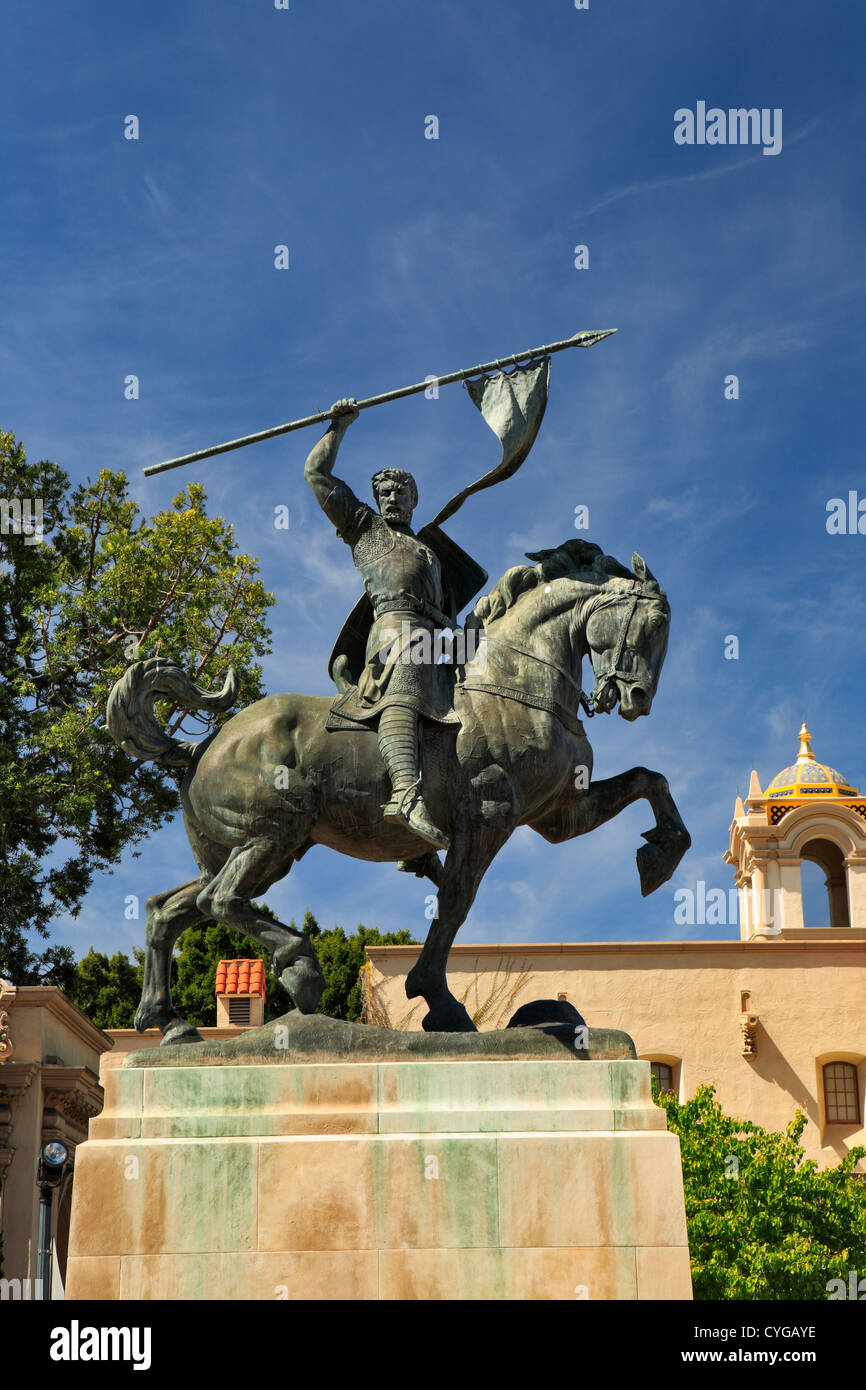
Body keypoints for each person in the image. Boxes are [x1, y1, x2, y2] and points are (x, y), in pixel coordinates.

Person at [304, 398, 451, 852]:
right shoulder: (367, 530)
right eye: (384, 492)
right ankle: (405, 794)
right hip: (395, 635)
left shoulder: (430, 554)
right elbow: (317, 476)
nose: (390, 498)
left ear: (414, 500)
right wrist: (337, 427)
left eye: (399, 493)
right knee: (408, 665)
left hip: (438, 636)